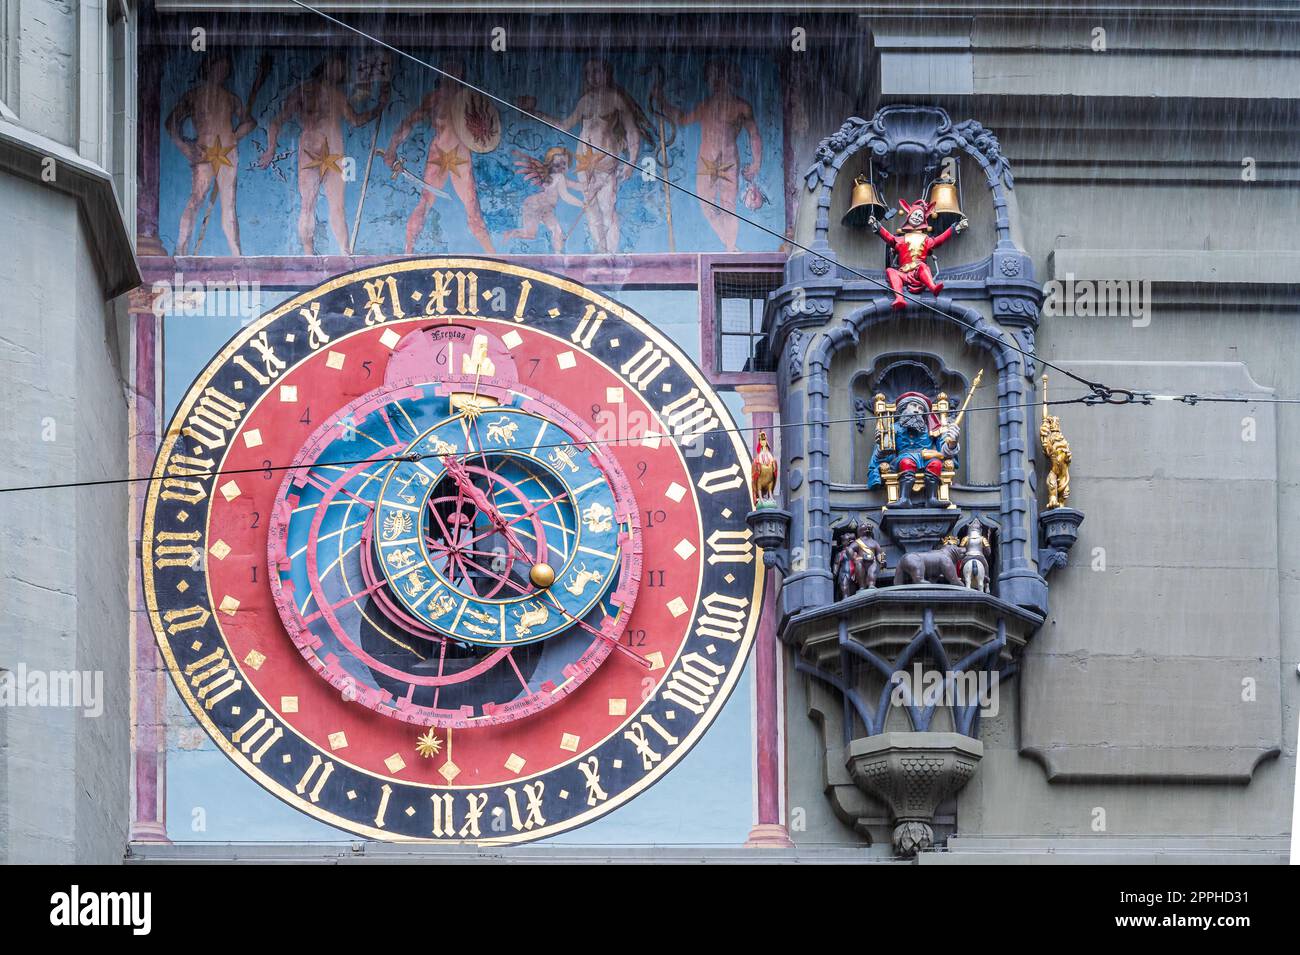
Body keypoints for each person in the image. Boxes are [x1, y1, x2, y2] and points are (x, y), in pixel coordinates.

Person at [259, 55, 388, 254]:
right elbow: (276, 121)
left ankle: (345, 253)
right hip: (312, 150)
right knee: (307, 204)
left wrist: (379, 108)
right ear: (325, 66)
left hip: (335, 153)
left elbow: (355, 120)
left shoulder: (337, 95)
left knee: (337, 206)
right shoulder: (304, 90)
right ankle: (308, 255)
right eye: (335, 66)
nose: (339, 72)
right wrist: (270, 149)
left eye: (341, 69)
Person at [384, 59, 495, 254]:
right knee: (425, 202)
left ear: (461, 75)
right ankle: (407, 252)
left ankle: (495, 258)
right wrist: (391, 148)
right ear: (442, 73)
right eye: (448, 69)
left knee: (472, 208)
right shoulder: (435, 98)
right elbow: (408, 122)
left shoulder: (468, 99)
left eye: (456, 70)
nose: (452, 73)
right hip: (440, 153)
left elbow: (485, 129)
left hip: (460, 155)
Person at [652, 59, 762, 252]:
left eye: (717, 76)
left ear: (727, 77)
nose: (714, 81)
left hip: (726, 161)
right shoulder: (706, 105)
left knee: (728, 206)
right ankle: (729, 245)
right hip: (707, 162)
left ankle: (730, 247)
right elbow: (683, 119)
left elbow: (754, 134)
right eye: (711, 77)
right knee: (707, 206)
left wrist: (756, 163)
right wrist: (663, 104)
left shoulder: (740, 106)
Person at [166, 55, 256, 255]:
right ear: (208, 68)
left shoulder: (231, 98)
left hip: (227, 153)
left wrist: (233, 135)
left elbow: (249, 122)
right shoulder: (194, 95)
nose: (221, 73)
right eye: (218, 67)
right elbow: (171, 122)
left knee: (229, 203)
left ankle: (236, 254)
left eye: (225, 69)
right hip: (204, 153)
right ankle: (180, 250)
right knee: (196, 198)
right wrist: (184, 146)